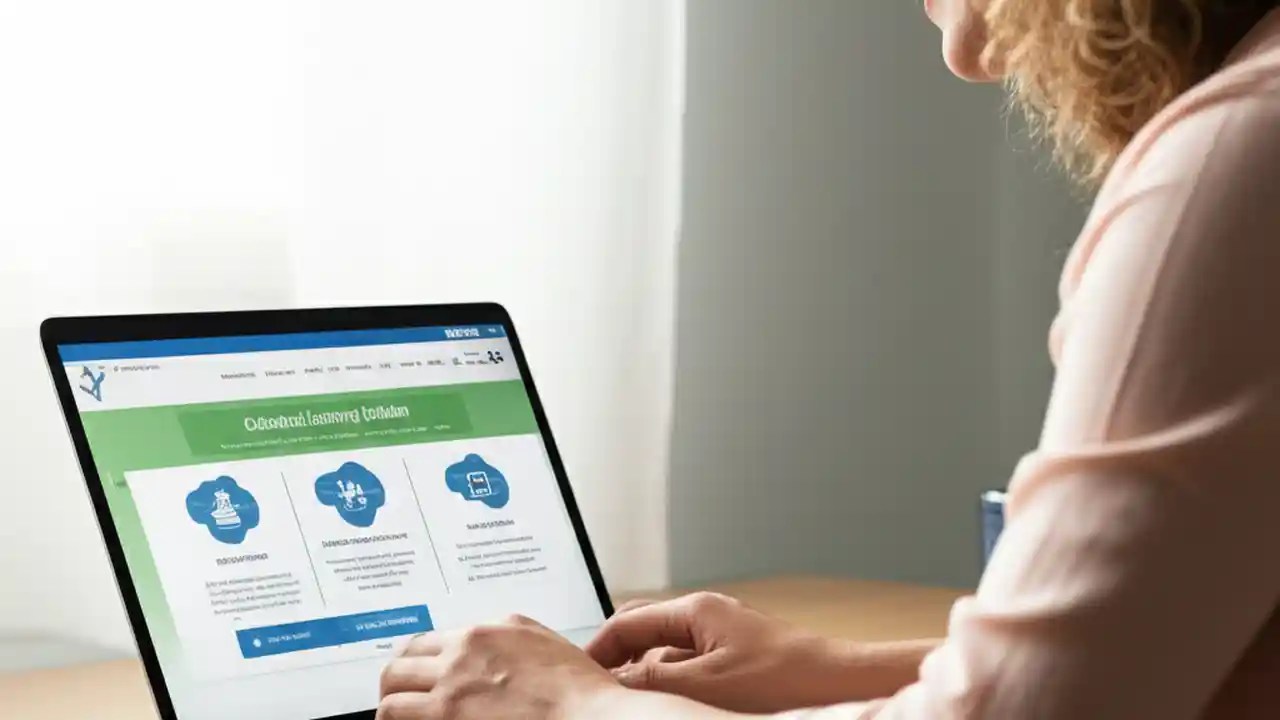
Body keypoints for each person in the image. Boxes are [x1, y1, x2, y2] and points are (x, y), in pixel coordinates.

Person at [376, 1, 1280, 717]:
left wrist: (562, 704)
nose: (971, 58)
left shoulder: (1238, 156)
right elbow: (1179, 659)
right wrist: (821, 670)